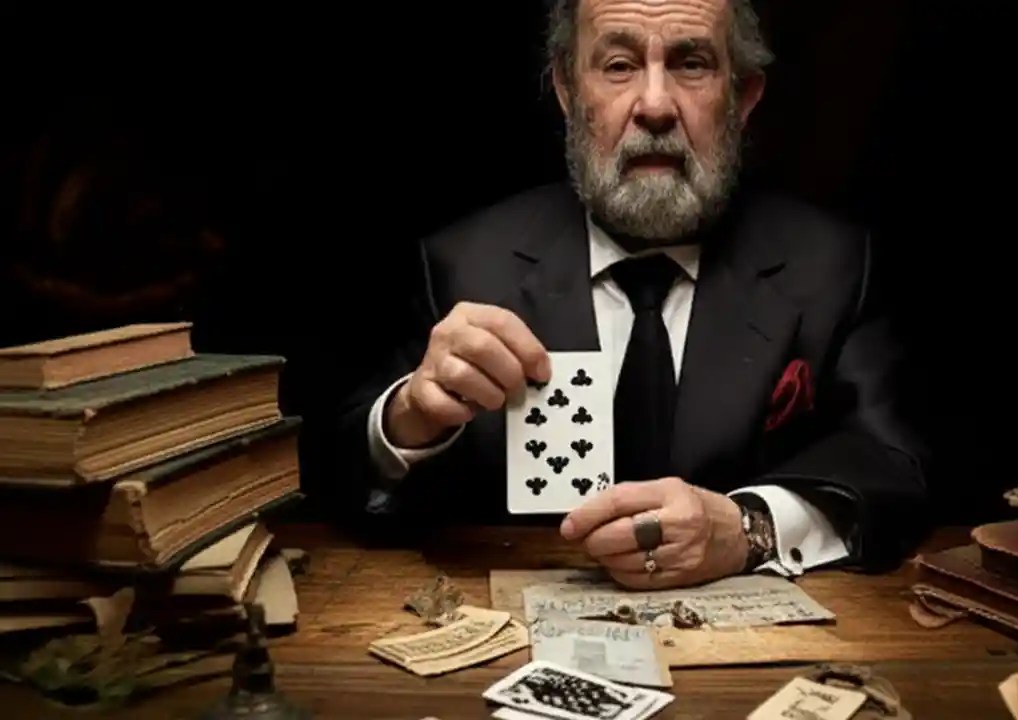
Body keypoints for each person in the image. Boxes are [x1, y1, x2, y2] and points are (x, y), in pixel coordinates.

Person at [337, 0, 929, 589]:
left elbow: (893, 469)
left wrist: (750, 528)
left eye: (691, 63)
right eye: (618, 65)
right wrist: (409, 421)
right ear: (569, 92)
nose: (654, 106)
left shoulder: (834, 263)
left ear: (743, 98)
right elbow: (339, 475)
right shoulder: (461, 264)